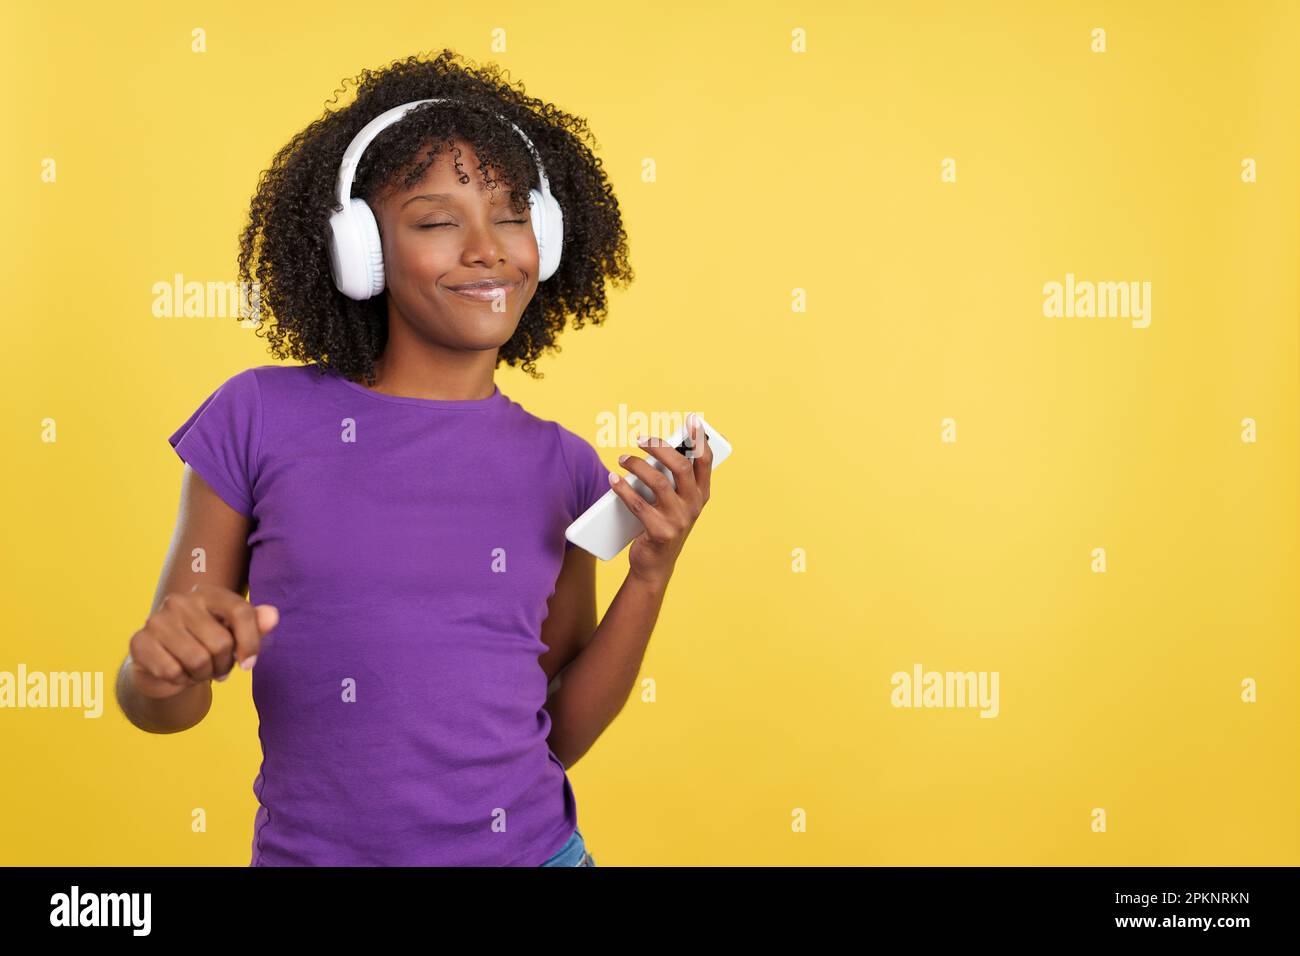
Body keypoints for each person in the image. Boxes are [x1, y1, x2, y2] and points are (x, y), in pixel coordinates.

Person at [114, 49, 714, 867]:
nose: (487, 250)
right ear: (360, 252)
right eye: (436, 222)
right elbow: (164, 704)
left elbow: (559, 734)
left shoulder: (565, 468)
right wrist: (154, 671)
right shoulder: (253, 418)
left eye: (511, 216)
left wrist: (650, 571)